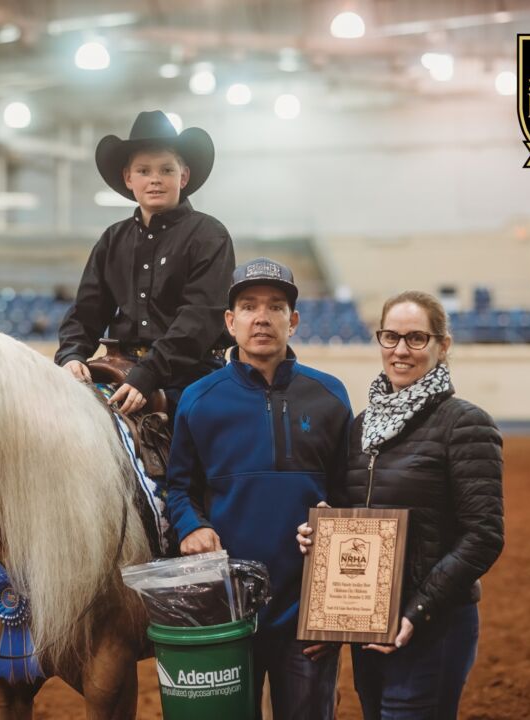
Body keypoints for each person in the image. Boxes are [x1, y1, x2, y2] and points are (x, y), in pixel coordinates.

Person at [297, 290, 504, 720]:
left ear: (442, 346)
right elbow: (348, 515)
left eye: (416, 338)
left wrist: (417, 611)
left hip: (433, 625)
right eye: (390, 337)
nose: (400, 350)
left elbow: (483, 535)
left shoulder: (465, 423)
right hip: (370, 625)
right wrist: (319, 536)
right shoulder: (361, 428)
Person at [166, 258, 352, 719]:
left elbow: (350, 496)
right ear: (230, 322)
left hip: (307, 616)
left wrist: (335, 611)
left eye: (275, 306)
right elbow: (179, 489)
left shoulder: (330, 396)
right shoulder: (198, 398)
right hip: (227, 612)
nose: (262, 318)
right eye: (249, 307)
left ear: (294, 320)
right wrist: (191, 526)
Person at [55, 110, 235, 416]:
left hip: (191, 374)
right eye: (143, 171)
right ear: (129, 178)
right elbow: (86, 311)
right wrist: (72, 355)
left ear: (183, 176)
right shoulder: (113, 240)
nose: (155, 179)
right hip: (120, 366)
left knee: (202, 427)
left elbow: (198, 320)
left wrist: (148, 374)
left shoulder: (209, 236)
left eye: (166, 169)